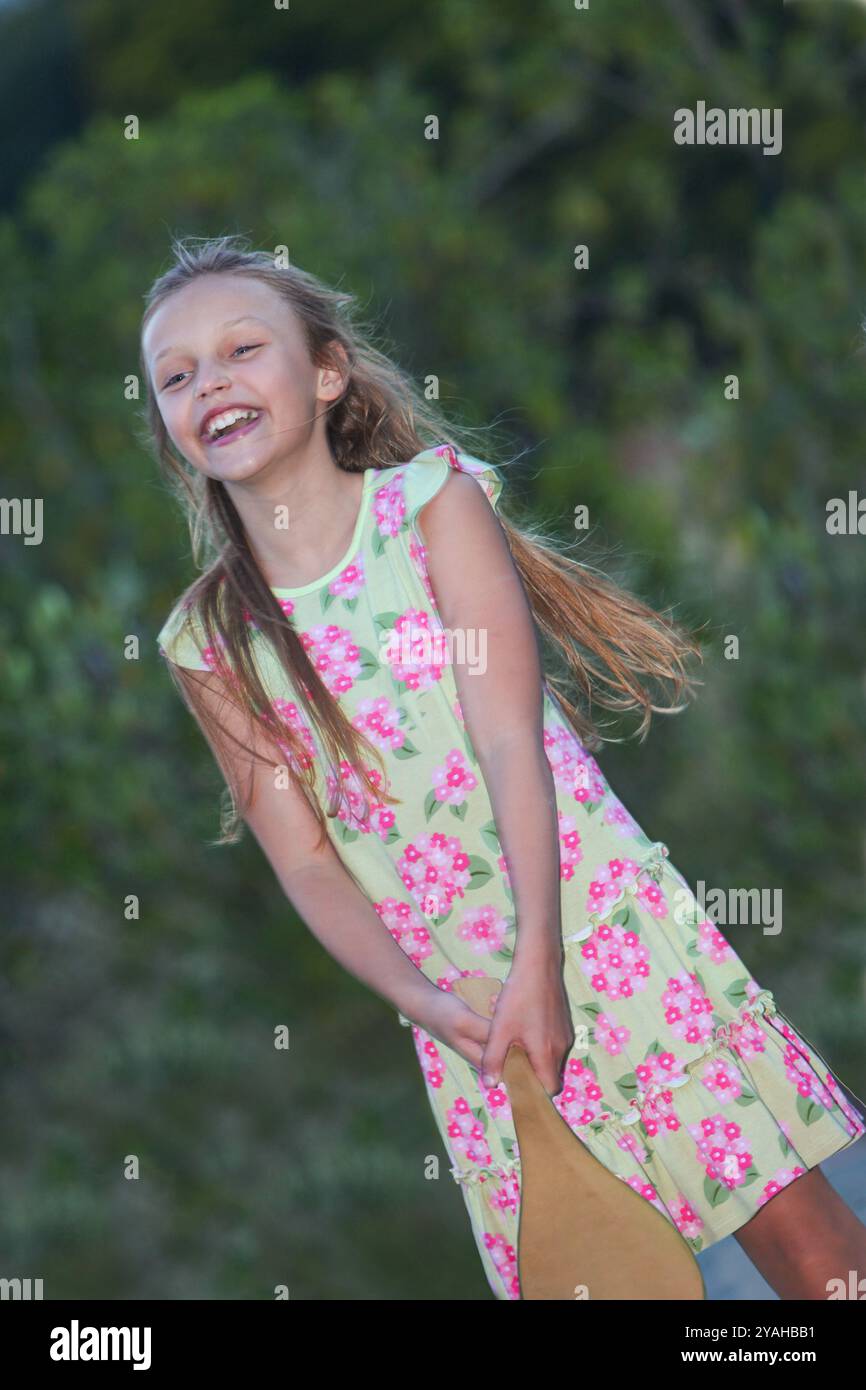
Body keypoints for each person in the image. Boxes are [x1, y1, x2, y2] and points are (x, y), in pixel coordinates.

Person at [142, 233, 866, 1301]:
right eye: (176, 375)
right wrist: (427, 1004)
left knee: (816, 1267)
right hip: (472, 1019)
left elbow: (506, 744)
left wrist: (541, 961)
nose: (211, 383)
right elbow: (304, 863)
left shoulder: (428, 508)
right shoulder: (207, 640)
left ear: (326, 371)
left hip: (600, 939)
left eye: (242, 349)